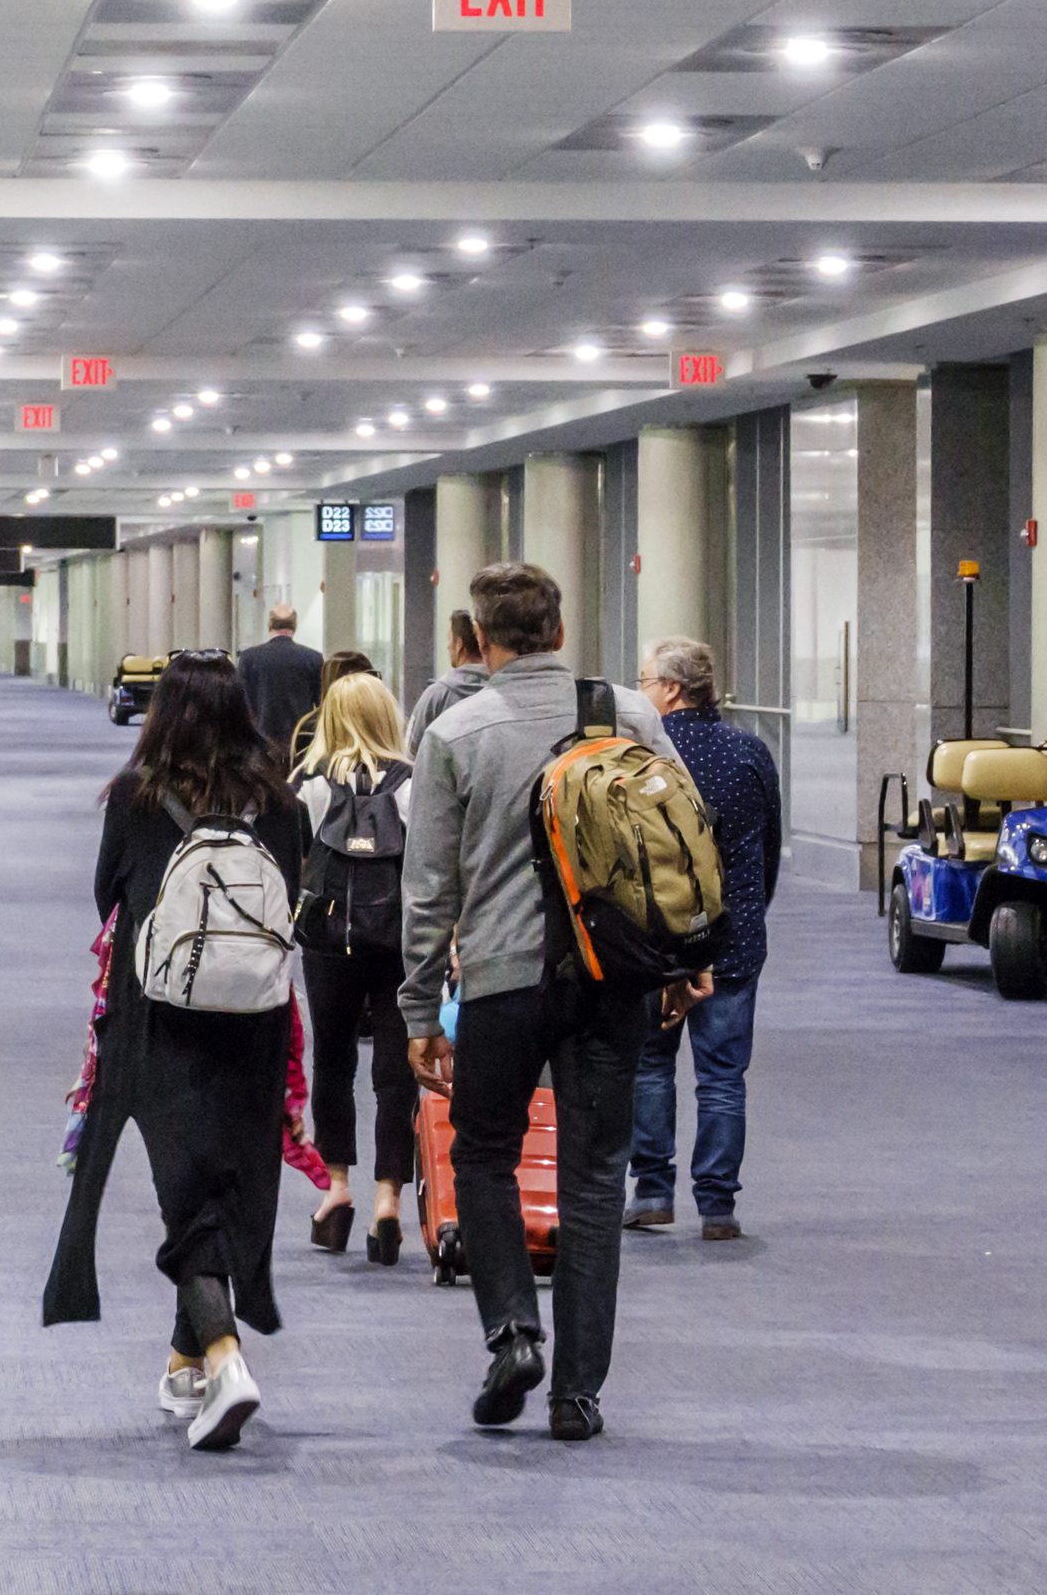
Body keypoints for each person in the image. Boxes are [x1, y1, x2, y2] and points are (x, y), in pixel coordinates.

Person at [401, 561, 685, 1445]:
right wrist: (677, 959)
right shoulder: (627, 716)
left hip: (500, 980)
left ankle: (513, 1330)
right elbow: (679, 837)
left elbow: (427, 888)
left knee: (483, 1152)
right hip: (609, 980)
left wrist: (417, 1008)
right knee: (595, 1178)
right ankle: (576, 1394)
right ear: (559, 631)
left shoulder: (456, 729)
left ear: (482, 641)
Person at [46, 651, 310, 1454]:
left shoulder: (133, 797)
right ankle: (184, 1361)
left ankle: (225, 1360)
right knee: (224, 1184)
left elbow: (108, 898)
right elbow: (291, 895)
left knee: (184, 1198)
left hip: (157, 1019)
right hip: (255, 1021)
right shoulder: (279, 801)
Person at [628, 636, 782, 1242]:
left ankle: (652, 1192)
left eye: (643, 681)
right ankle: (717, 1206)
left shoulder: (640, 758)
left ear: (670, 689)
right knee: (722, 1076)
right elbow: (766, 851)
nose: (640, 690)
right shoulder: (749, 753)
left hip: (655, 940)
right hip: (734, 937)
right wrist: (749, 911)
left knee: (649, 1065)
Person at [294, 671, 418, 1265]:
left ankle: (336, 1188)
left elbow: (291, 863)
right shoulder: (414, 785)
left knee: (334, 1061)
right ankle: (389, 1201)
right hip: (399, 943)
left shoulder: (309, 785)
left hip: (328, 939)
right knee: (397, 1072)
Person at [238, 606, 327, 773]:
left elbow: (241, 703)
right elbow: (320, 704)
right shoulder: (313, 658)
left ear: (269, 624)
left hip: (261, 744)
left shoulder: (249, 658)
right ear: (294, 625)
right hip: (300, 744)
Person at [412, 606, 489, 729]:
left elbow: (413, 744)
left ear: (459, 644)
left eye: (449, 639)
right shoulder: (500, 691)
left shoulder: (436, 696)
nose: (448, 647)